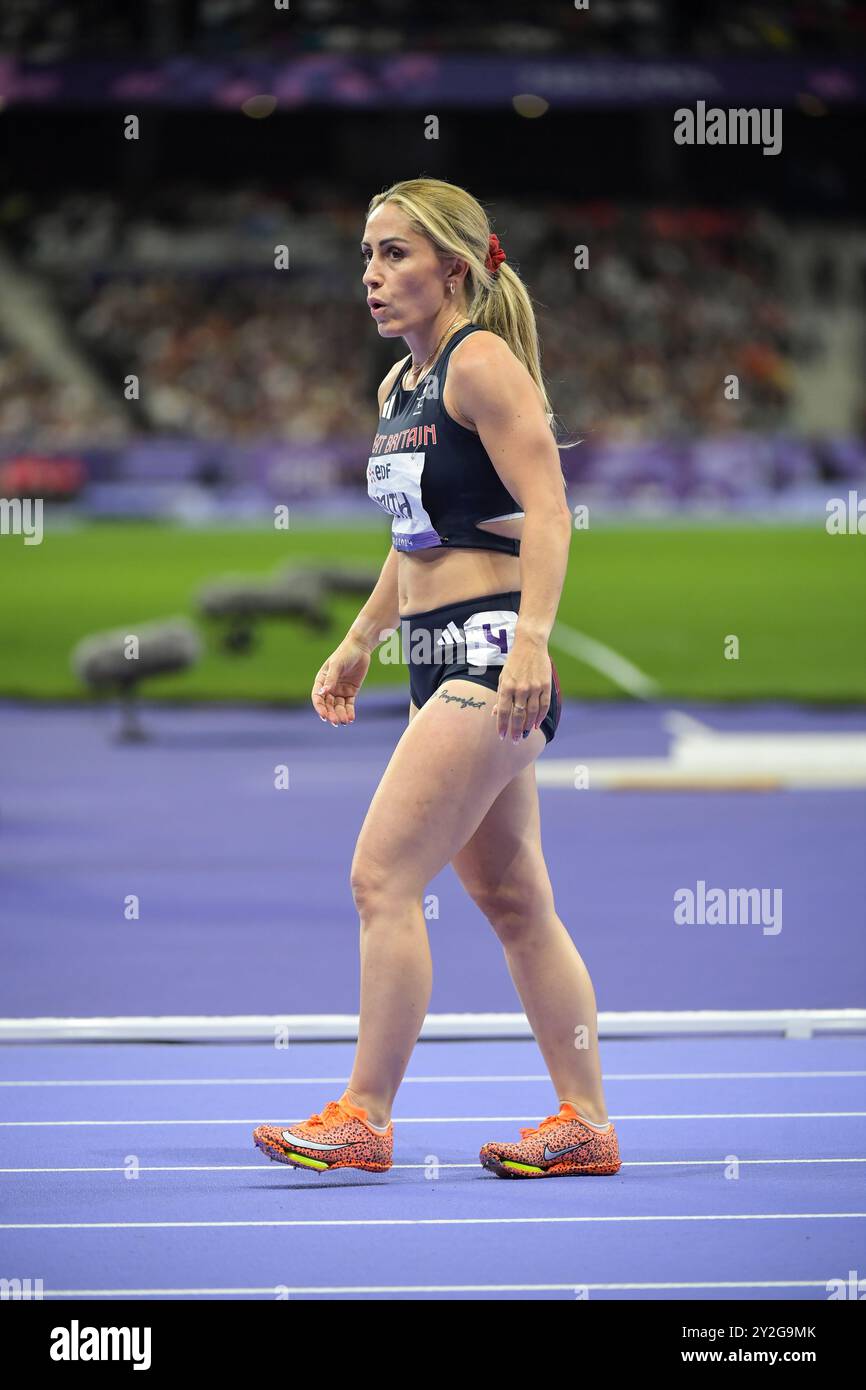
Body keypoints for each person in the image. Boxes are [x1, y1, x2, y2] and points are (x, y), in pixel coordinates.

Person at [253, 178, 621, 1179]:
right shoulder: (396, 387)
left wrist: (533, 641)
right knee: (511, 900)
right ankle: (583, 1119)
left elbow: (549, 512)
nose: (371, 276)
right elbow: (410, 538)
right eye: (366, 256)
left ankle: (364, 1116)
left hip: (490, 654)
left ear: (452, 267)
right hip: (433, 658)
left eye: (394, 255)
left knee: (381, 877)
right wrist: (360, 637)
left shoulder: (482, 366)